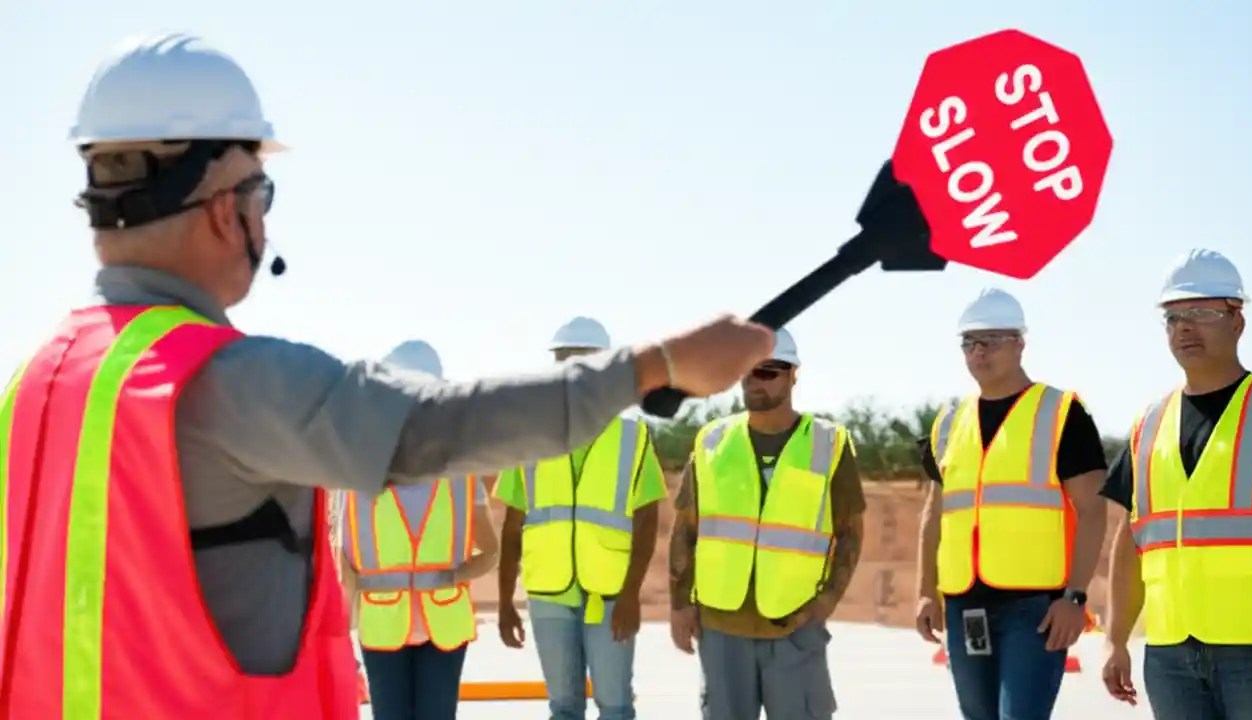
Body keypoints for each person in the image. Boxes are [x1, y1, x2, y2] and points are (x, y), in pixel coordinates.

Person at [0, 33, 774, 719]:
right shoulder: (232, 383)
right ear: (219, 208)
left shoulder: (34, 387)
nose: (263, 221)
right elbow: (440, 426)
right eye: (259, 193)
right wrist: (658, 366)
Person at [1100, 249, 1252, 719]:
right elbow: (1130, 543)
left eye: (1201, 312)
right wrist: (1115, 640)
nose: (1184, 327)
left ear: (1237, 320)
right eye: (1173, 317)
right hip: (1169, 654)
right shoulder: (1148, 425)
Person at [914, 287, 1108, 720]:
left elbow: (1094, 510)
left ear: (1020, 343)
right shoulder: (948, 421)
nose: (979, 352)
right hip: (966, 603)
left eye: (992, 341)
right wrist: (926, 592)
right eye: (970, 343)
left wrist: (1075, 599)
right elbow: (934, 514)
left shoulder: (1061, 413)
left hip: (1035, 610)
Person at [667, 328, 866, 720]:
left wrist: (825, 603)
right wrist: (679, 605)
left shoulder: (830, 443)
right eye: (747, 370)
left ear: (794, 374)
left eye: (768, 371)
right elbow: (686, 527)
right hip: (722, 627)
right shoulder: (712, 440)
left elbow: (850, 531)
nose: (754, 381)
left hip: (795, 626)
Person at [493, 316, 667, 720]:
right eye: (562, 362)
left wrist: (630, 595)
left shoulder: (632, 436)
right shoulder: (530, 435)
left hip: (609, 597)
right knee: (564, 708)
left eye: (579, 362)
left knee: (616, 706)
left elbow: (646, 523)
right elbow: (512, 527)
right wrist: (505, 602)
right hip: (548, 596)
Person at [336, 340, 500, 720]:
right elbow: (343, 561)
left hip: (443, 626)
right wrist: (341, 636)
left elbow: (488, 551)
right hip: (382, 626)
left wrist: (455, 574)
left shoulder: (460, 472)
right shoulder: (357, 472)